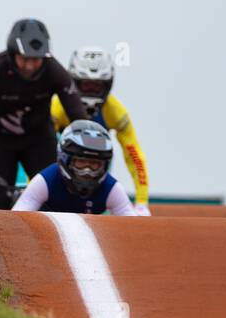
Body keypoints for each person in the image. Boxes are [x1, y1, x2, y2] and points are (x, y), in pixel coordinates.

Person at [0, 19, 88, 209]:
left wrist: (87, 156)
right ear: (12, 53)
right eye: (25, 59)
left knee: (54, 196)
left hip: (38, 137)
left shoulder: (54, 71)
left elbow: (79, 118)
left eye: (36, 59)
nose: (30, 66)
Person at [50, 47, 152, 216]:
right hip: (61, 169)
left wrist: (142, 202)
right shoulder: (57, 106)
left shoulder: (116, 112)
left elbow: (134, 155)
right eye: (86, 85)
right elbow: (41, 145)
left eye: (96, 86)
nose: (90, 91)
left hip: (97, 175)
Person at [13, 120, 138, 215]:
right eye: (81, 162)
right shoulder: (46, 181)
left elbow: (135, 229)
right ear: (64, 159)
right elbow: (18, 218)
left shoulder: (112, 189)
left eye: (95, 164)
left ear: (104, 165)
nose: (87, 171)